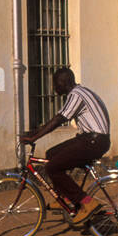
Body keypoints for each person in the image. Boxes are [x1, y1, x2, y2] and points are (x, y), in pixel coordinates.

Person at [21, 67, 110, 223]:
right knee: (51, 154)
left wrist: (35, 137)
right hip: (90, 139)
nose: (54, 88)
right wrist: (34, 132)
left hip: (94, 141)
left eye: (56, 84)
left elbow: (60, 118)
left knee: (52, 167)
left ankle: (87, 203)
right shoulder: (80, 92)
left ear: (64, 82)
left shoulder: (76, 95)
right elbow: (58, 118)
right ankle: (65, 197)